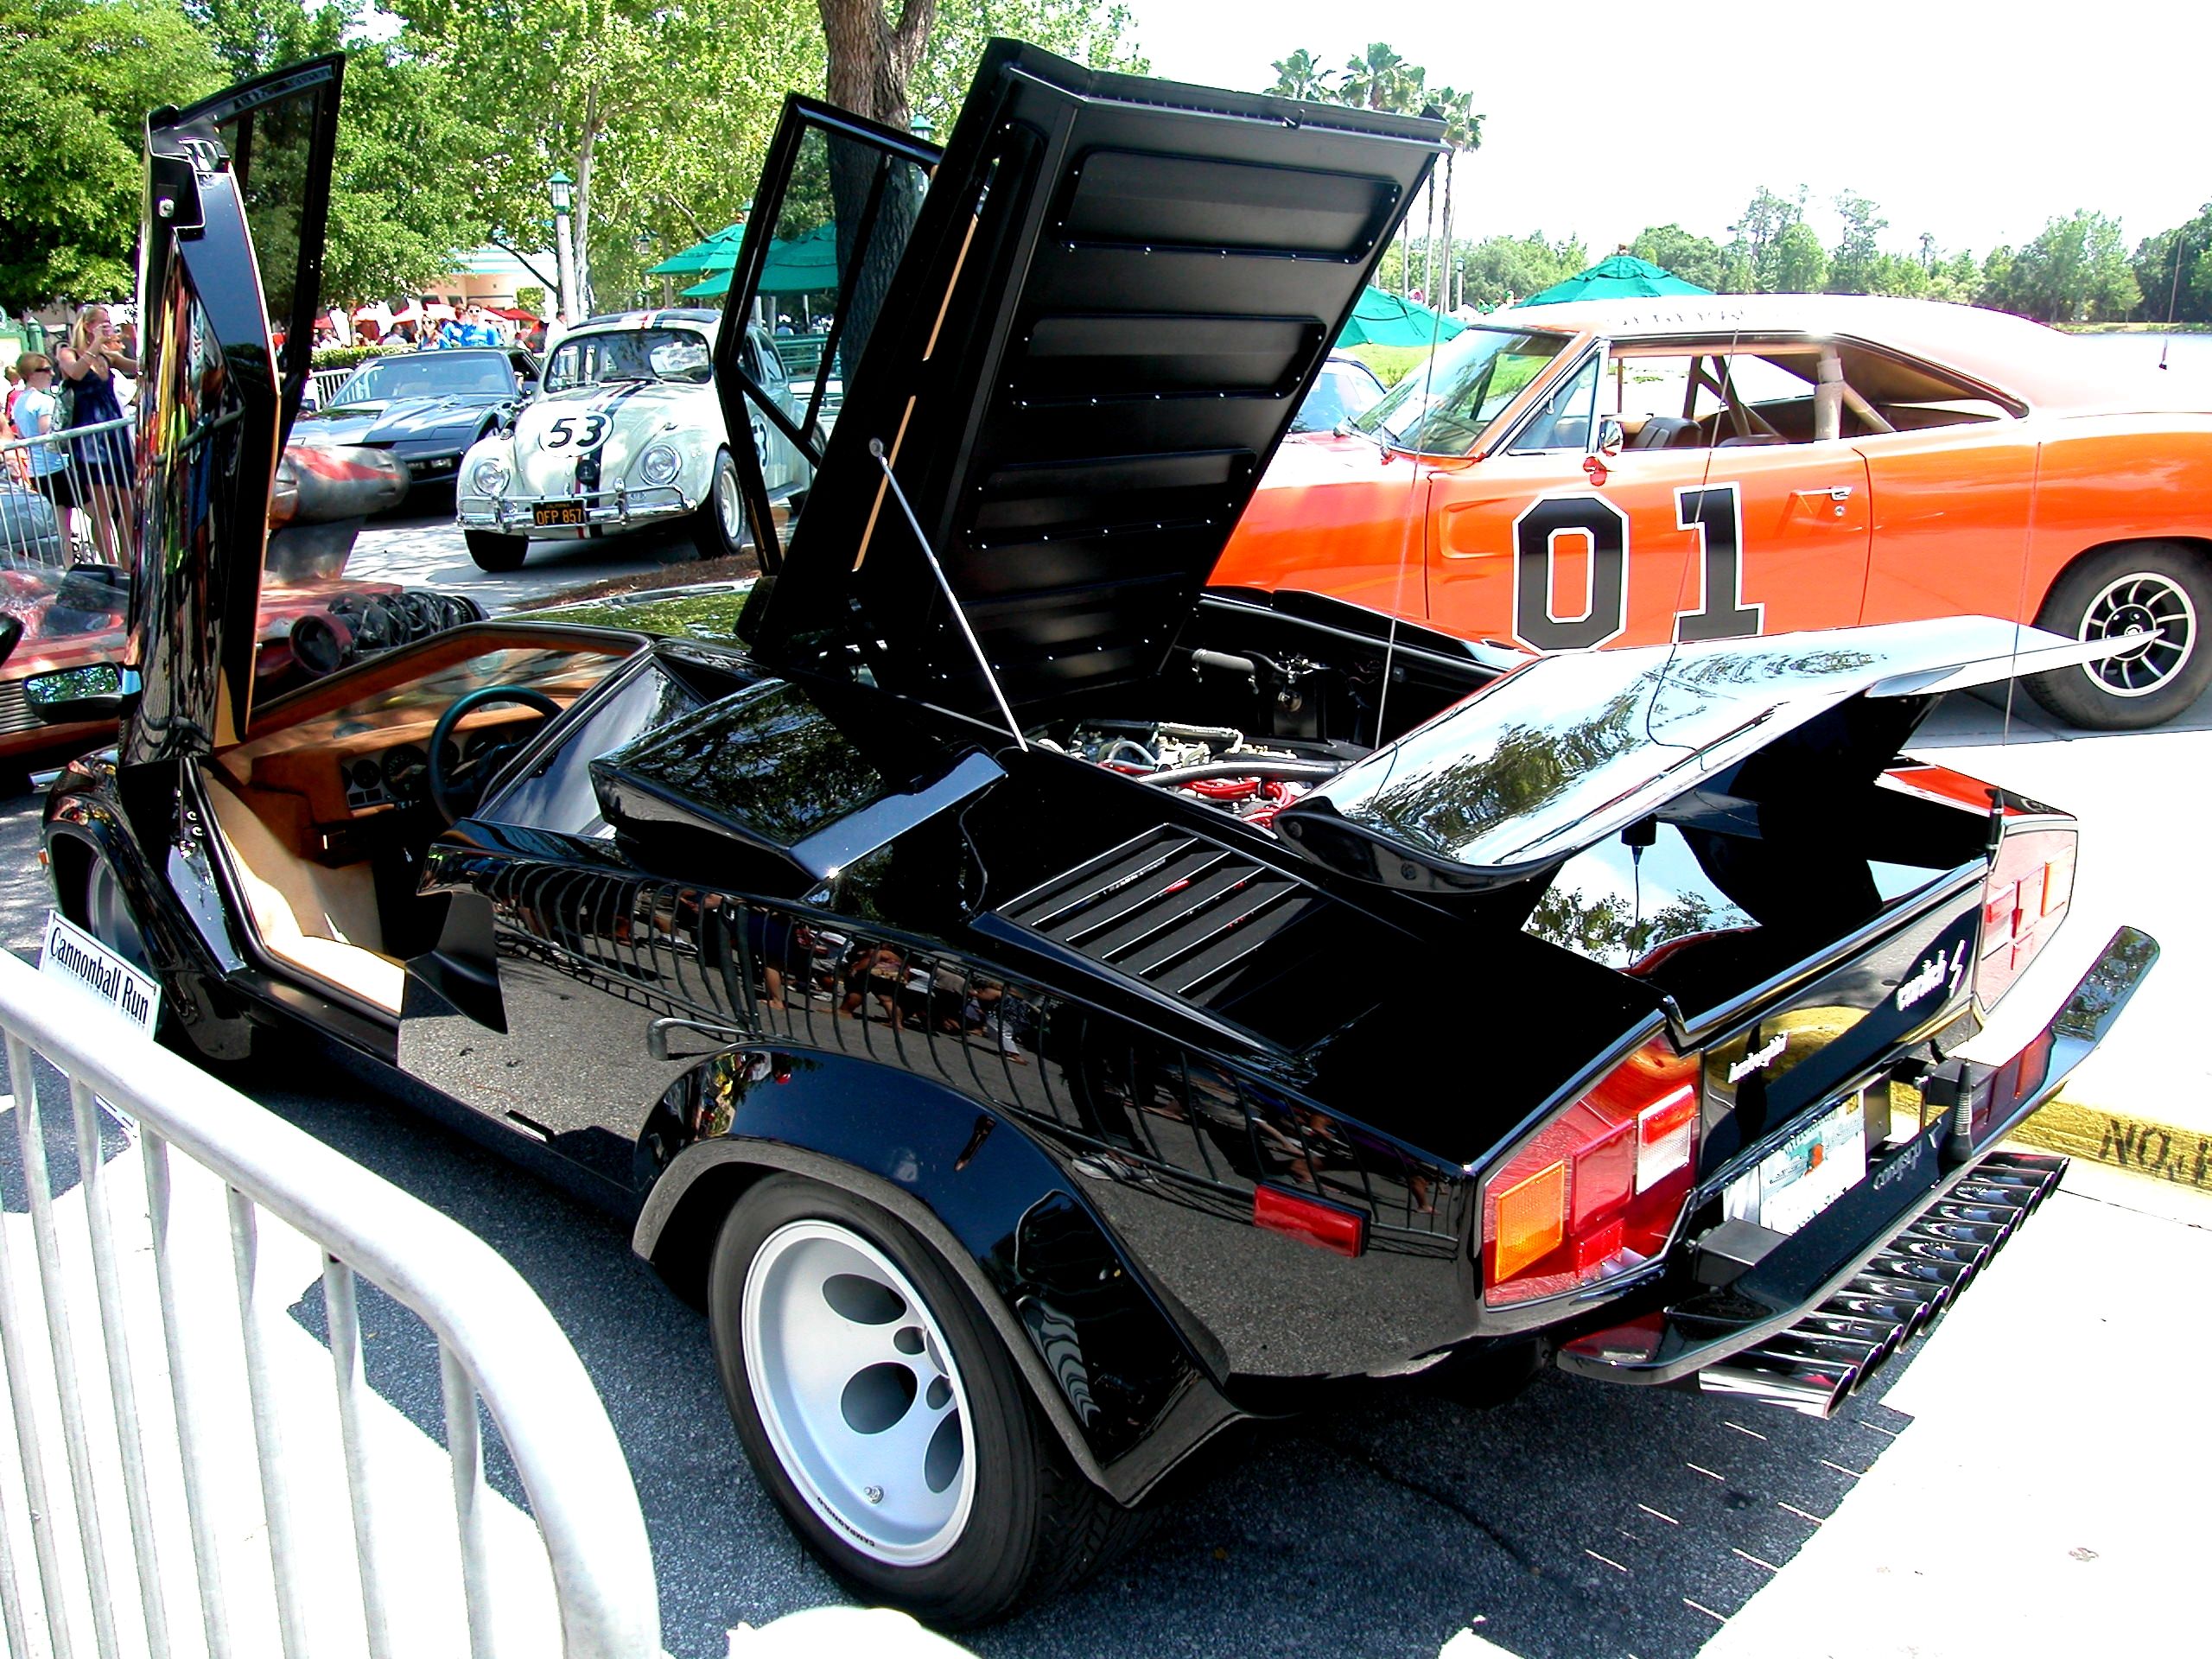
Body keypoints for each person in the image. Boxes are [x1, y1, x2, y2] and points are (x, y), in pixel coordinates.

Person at [54, 308, 136, 563]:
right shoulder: (69, 352)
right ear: (89, 326)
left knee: (128, 504)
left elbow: (141, 367)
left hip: (114, 434)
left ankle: (128, 561)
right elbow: (76, 373)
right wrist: (96, 344)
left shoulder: (106, 357)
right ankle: (110, 565)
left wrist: (132, 340)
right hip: (90, 438)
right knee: (102, 507)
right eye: (103, 323)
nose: (108, 327)